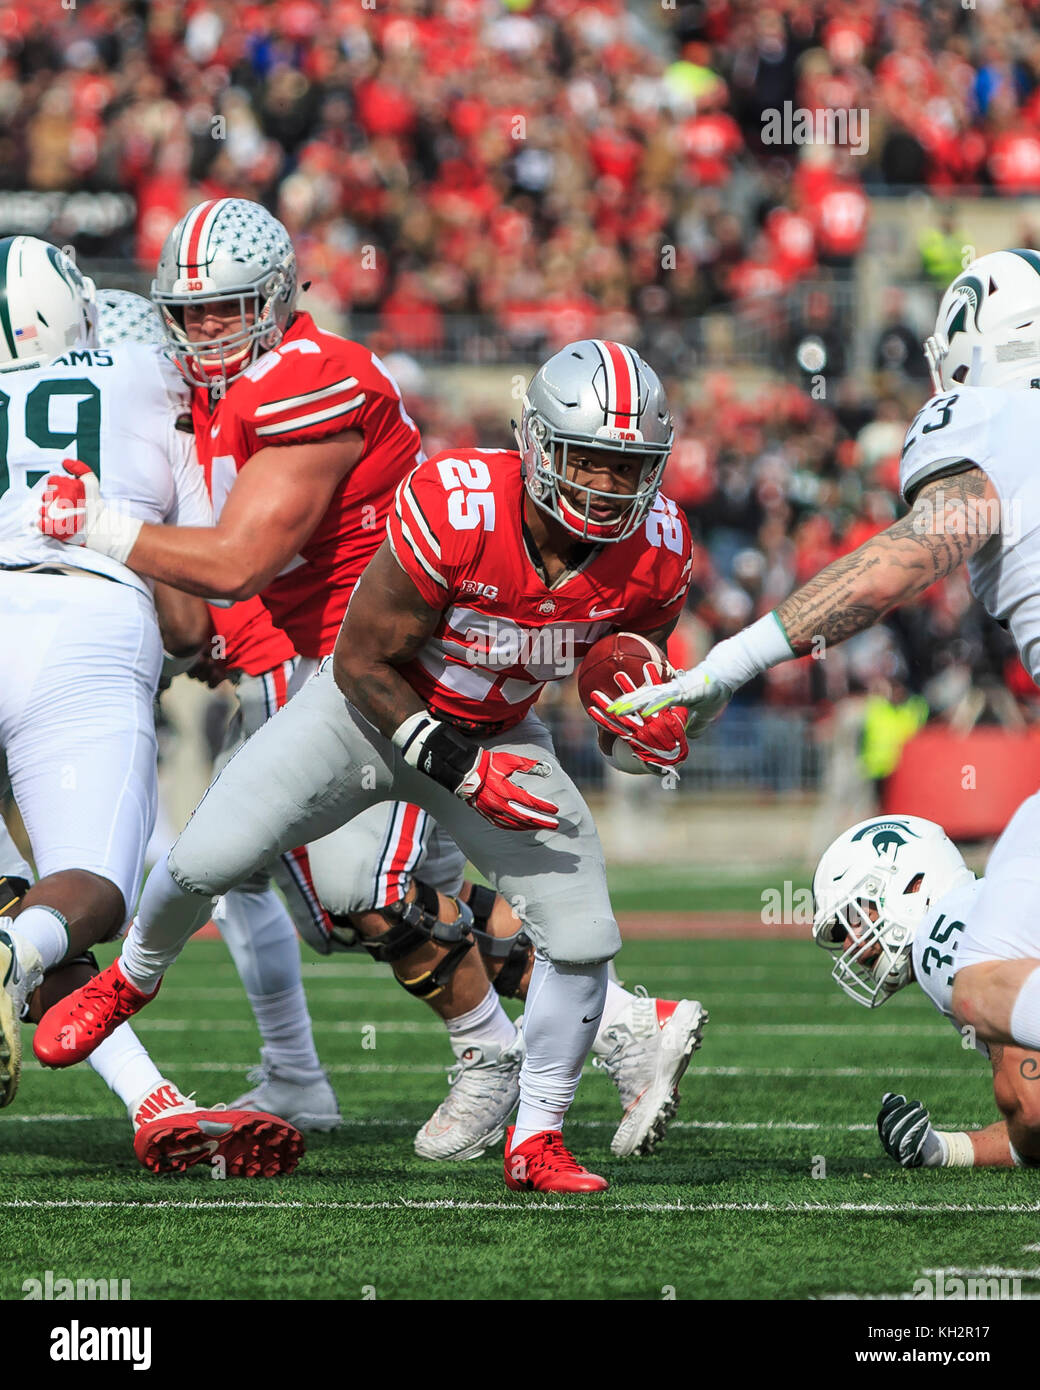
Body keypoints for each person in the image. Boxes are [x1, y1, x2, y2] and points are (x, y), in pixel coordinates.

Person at [35, 338, 700, 1192]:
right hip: (360, 715)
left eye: (626, 466)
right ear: (536, 444)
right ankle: (128, 982)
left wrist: (638, 739)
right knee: (204, 858)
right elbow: (358, 662)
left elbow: (621, 697)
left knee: (584, 933)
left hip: (498, 732)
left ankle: (535, 1136)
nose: (605, 487)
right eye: (587, 460)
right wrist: (459, 769)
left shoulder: (659, 550)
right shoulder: (460, 505)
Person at [611, 247, 1040, 1056]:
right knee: (993, 968)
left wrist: (729, 664)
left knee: (978, 975)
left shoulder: (991, 419)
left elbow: (902, 564)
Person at [0, 241, 302, 1176]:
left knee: (21, 888)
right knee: (89, 891)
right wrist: (208, 643)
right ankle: (16, 955)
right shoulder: (149, 371)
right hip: (83, 620)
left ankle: (151, 1098)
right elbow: (184, 591)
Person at [813, 812, 1040, 1169]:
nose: (848, 944)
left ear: (912, 886)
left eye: (854, 918)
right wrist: (941, 1149)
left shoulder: (941, 928)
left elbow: (1032, 1110)